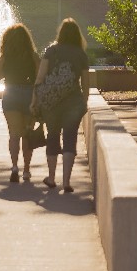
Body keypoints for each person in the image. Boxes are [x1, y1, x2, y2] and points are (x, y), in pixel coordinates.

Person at [30, 17, 91, 192]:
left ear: (61, 34)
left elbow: (40, 79)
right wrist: (83, 103)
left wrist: (34, 101)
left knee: (52, 137)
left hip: (51, 103)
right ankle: (66, 182)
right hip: (73, 103)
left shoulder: (51, 51)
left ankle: (51, 178)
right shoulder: (81, 54)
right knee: (70, 139)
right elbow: (86, 84)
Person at [0, 22, 40, 184]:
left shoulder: (5, 57)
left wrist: (8, 70)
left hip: (10, 94)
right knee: (27, 134)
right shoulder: (33, 56)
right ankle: (27, 170)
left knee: (14, 134)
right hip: (29, 95)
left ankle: (14, 167)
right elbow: (41, 78)